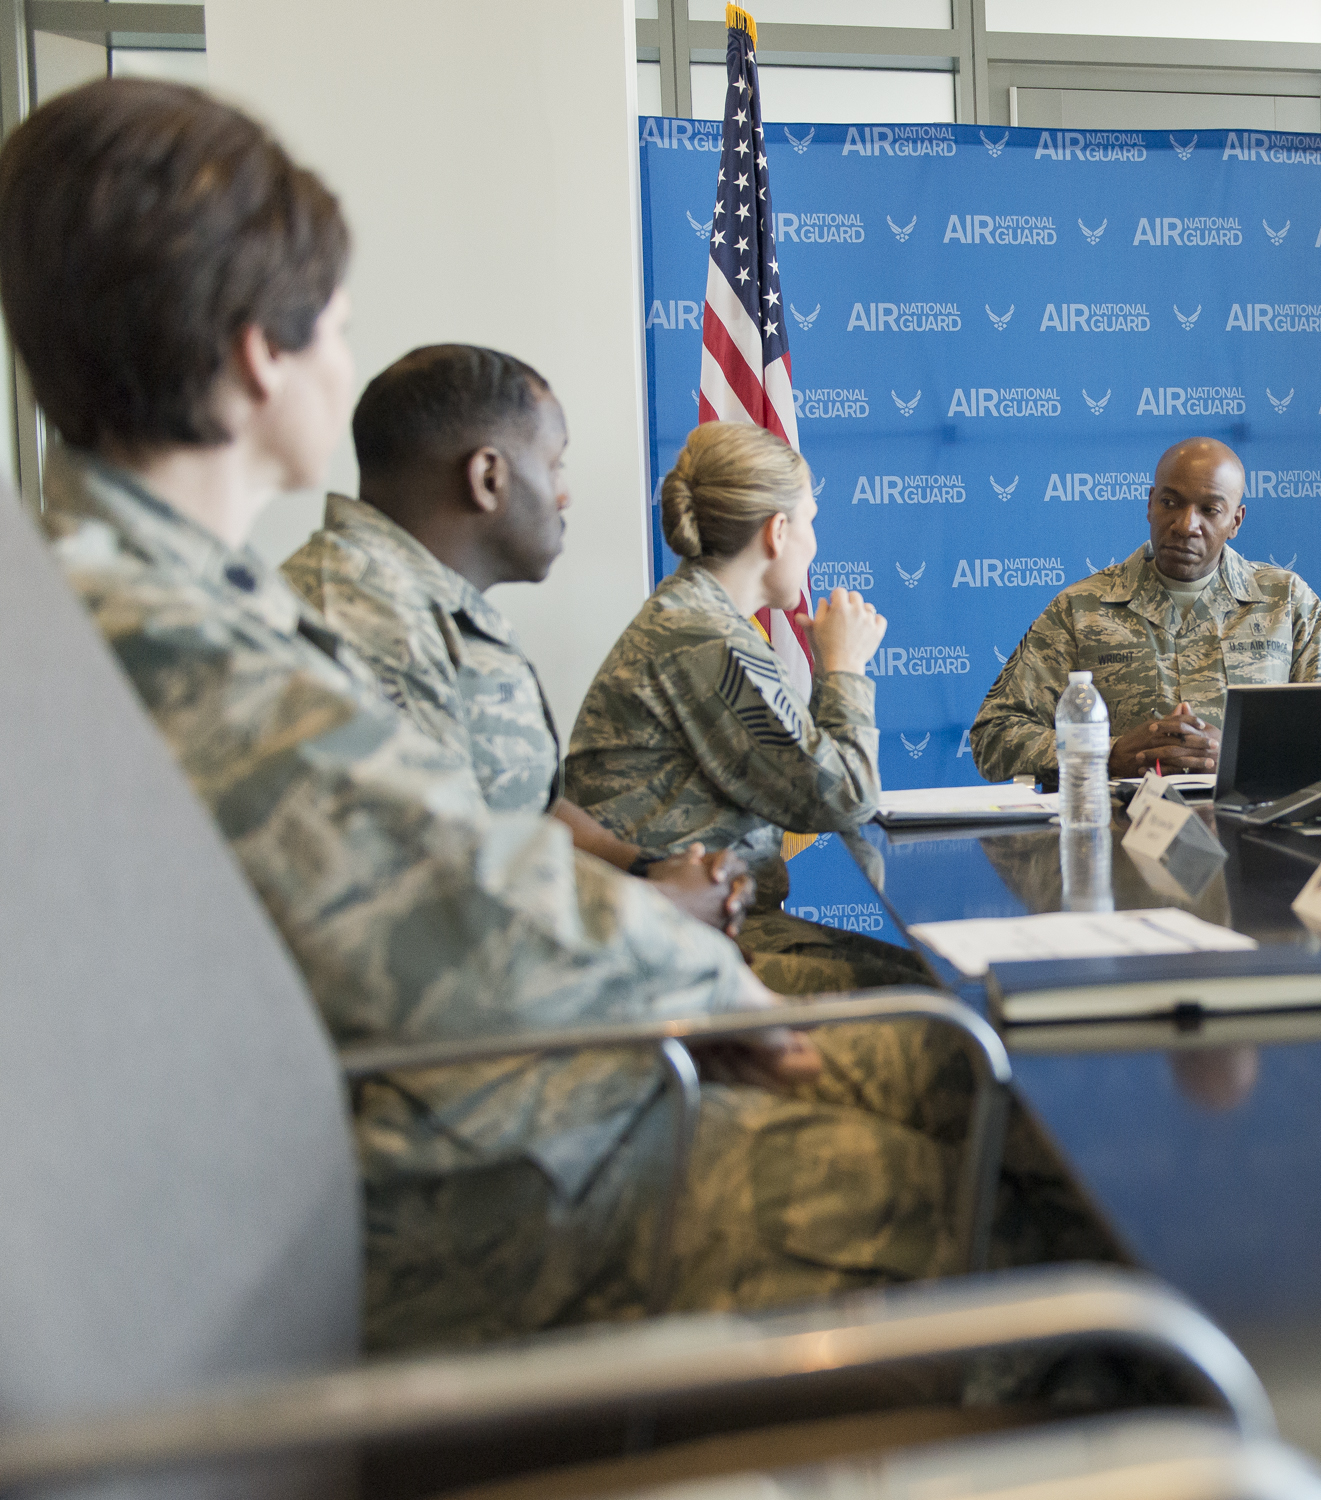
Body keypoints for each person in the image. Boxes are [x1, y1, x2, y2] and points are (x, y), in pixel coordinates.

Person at [1, 78, 1093, 1354]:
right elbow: (445, 886)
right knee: (1045, 1267)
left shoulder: (110, 600)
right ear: (261, 352)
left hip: (449, 1113)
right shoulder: (171, 635)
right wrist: (706, 987)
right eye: (339, 327)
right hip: (459, 1174)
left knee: (997, 1122)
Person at [282, 344, 750, 932]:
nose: (564, 494)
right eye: (555, 464)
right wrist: (661, 910)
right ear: (487, 477)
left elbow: (526, 807)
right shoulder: (360, 616)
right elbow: (430, 891)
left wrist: (651, 868)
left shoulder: (423, 598)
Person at [566, 422, 931, 994]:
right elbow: (844, 798)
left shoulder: (706, 621)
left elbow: (808, 775)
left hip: (711, 926)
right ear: (778, 532)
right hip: (679, 945)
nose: (815, 543)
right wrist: (845, 666)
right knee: (943, 1003)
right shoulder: (705, 638)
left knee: (939, 983)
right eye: (810, 521)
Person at [969, 436, 1321, 784]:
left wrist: (1237, 754)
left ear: (1236, 521)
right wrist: (1107, 753)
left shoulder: (1287, 602)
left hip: (1253, 836)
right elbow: (993, 735)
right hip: (1117, 839)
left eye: (1210, 510)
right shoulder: (1080, 608)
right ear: (1150, 504)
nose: (1185, 524)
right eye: (1170, 502)